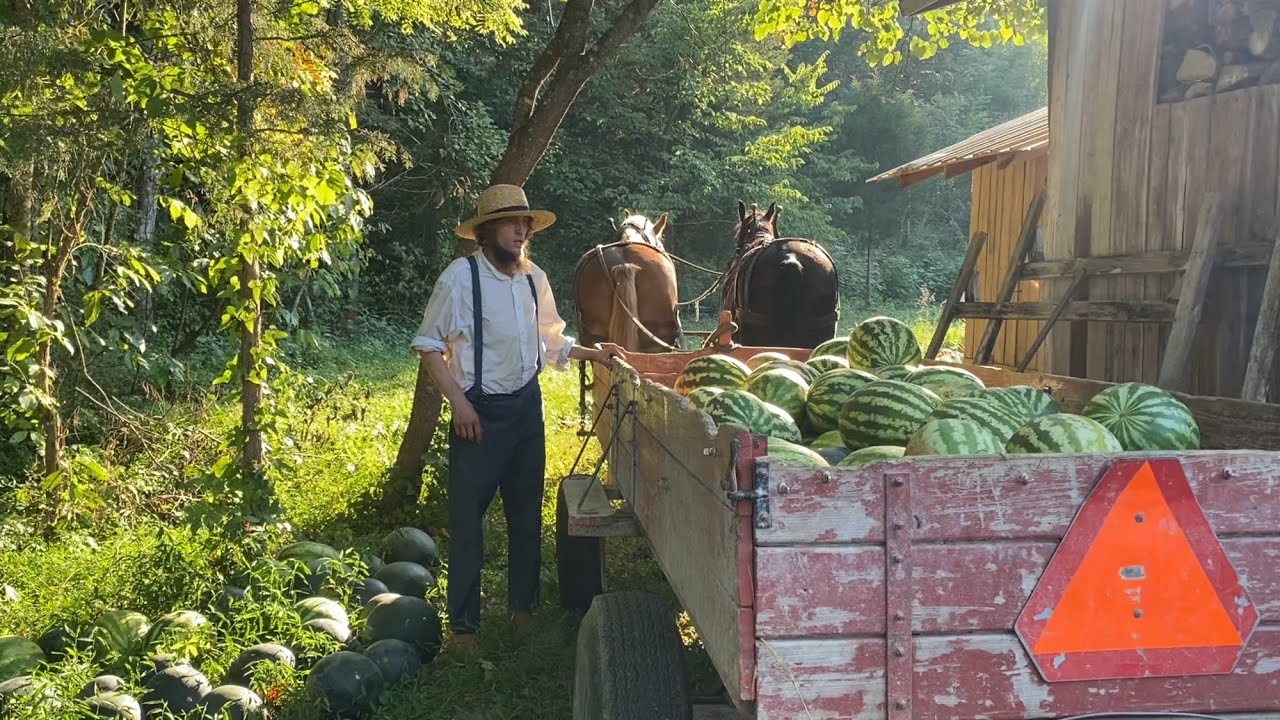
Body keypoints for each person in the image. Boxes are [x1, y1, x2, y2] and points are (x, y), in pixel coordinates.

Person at [410, 183, 625, 657]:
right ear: (486, 231)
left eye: (525, 223)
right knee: (468, 523)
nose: (521, 230)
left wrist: (595, 351)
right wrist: (460, 405)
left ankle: (522, 611)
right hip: (479, 418)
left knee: (527, 517)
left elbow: (552, 343)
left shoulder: (535, 279)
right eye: (511, 222)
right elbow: (429, 346)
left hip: (528, 411)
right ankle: (463, 630)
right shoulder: (459, 278)